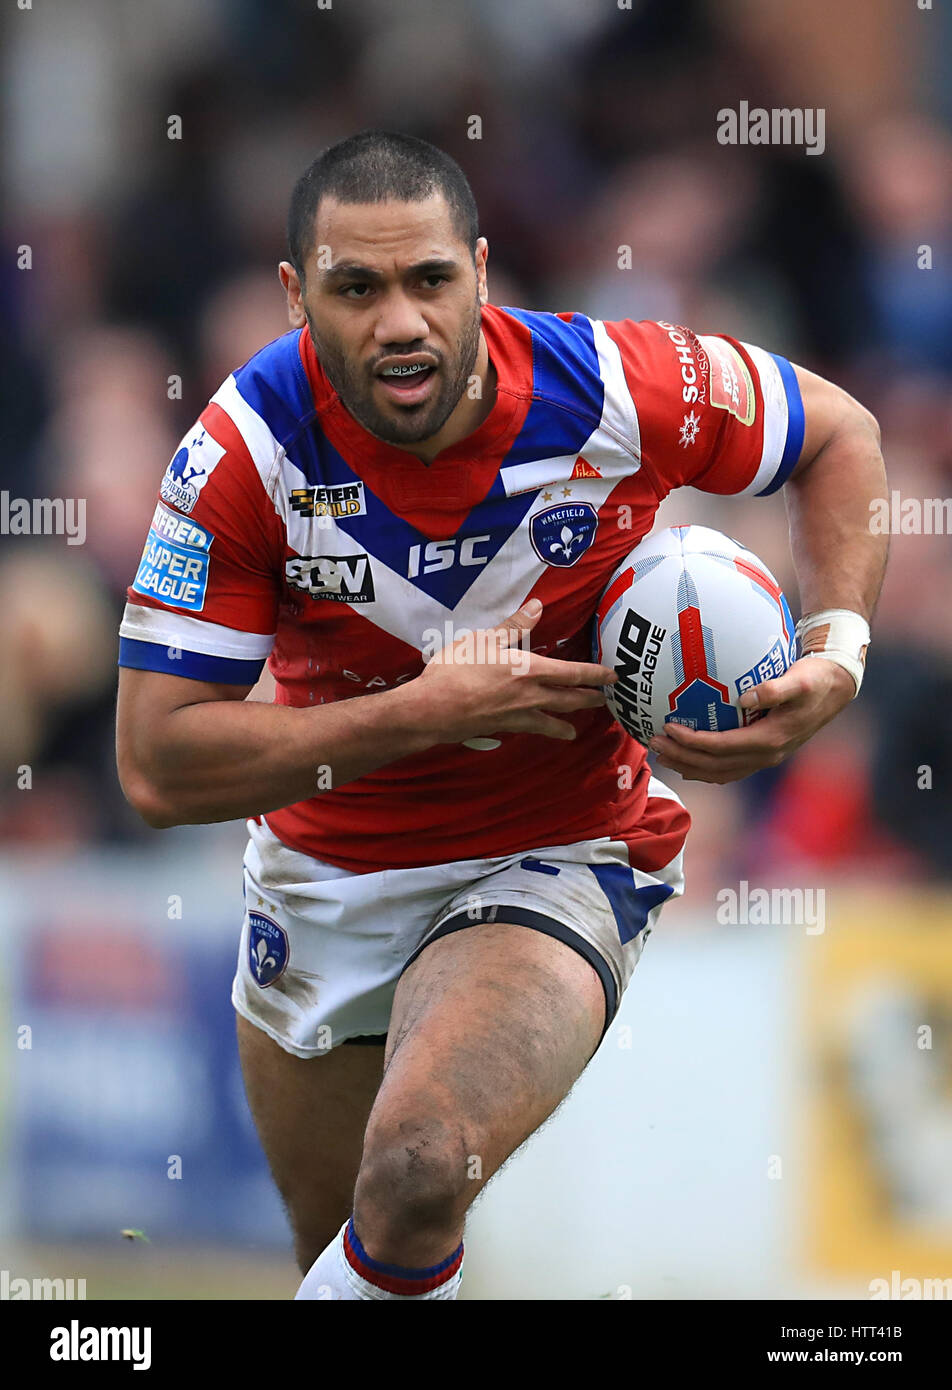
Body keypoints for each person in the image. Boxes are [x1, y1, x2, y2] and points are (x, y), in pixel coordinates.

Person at [115, 130, 887, 1300]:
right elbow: (158, 766)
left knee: (419, 1167)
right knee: (348, 1252)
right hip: (325, 881)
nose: (402, 322)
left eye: (430, 279)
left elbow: (840, 434)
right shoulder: (241, 453)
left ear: (480, 271)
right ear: (295, 297)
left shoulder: (613, 386)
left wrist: (835, 653)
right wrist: (420, 713)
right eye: (357, 288)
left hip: (559, 851)